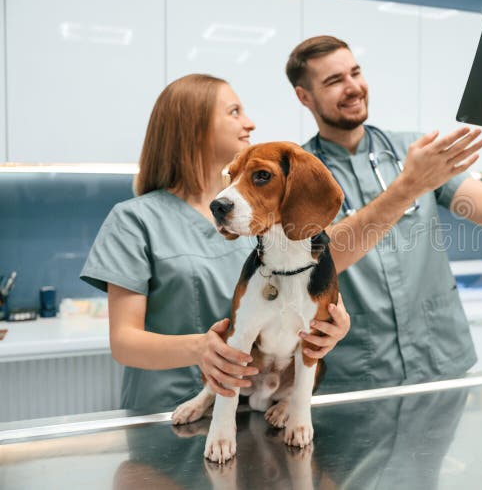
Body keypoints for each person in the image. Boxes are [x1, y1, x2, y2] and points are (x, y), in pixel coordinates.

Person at [287, 36, 482, 392]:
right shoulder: (298, 176)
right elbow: (323, 257)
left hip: (439, 363)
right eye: (335, 81)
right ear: (304, 96)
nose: (353, 88)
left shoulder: (414, 151)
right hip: (359, 374)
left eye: (356, 73)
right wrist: (407, 187)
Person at [80, 74, 350, 411]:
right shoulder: (133, 220)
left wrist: (325, 328)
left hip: (254, 413)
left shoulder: (266, 215)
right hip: (168, 413)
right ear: (192, 127)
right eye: (234, 112)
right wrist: (200, 349)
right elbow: (123, 343)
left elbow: (308, 280)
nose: (249, 123)